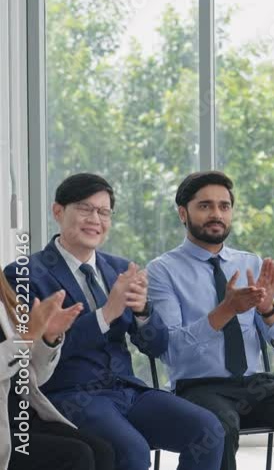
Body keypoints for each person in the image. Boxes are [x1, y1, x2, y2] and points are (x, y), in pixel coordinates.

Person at [2, 173, 224, 470]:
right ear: (58, 211)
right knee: (132, 451)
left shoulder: (118, 268)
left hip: (127, 390)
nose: (95, 218)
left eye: (104, 212)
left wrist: (143, 310)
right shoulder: (25, 274)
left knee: (208, 429)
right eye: (85, 208)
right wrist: (107, 313)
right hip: (71, 395)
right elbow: (32, 359)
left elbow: (156, 345)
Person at [146, 170, 274, 470]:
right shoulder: (162, 271)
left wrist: (267, 309)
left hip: (256, 387)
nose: (216, 214)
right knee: (220, 427)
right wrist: (225, 310)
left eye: (224, 206)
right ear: (182, 213)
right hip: (199, 388)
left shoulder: (249, 263)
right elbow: (172, 350)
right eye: (205, 206)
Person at [1, 263, 115, 470]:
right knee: (76, 456)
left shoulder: (5, 302)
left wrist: (48, 338)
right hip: (6, 430)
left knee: (102, 451)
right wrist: (26, 338)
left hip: (22, 417)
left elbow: (36, 376)